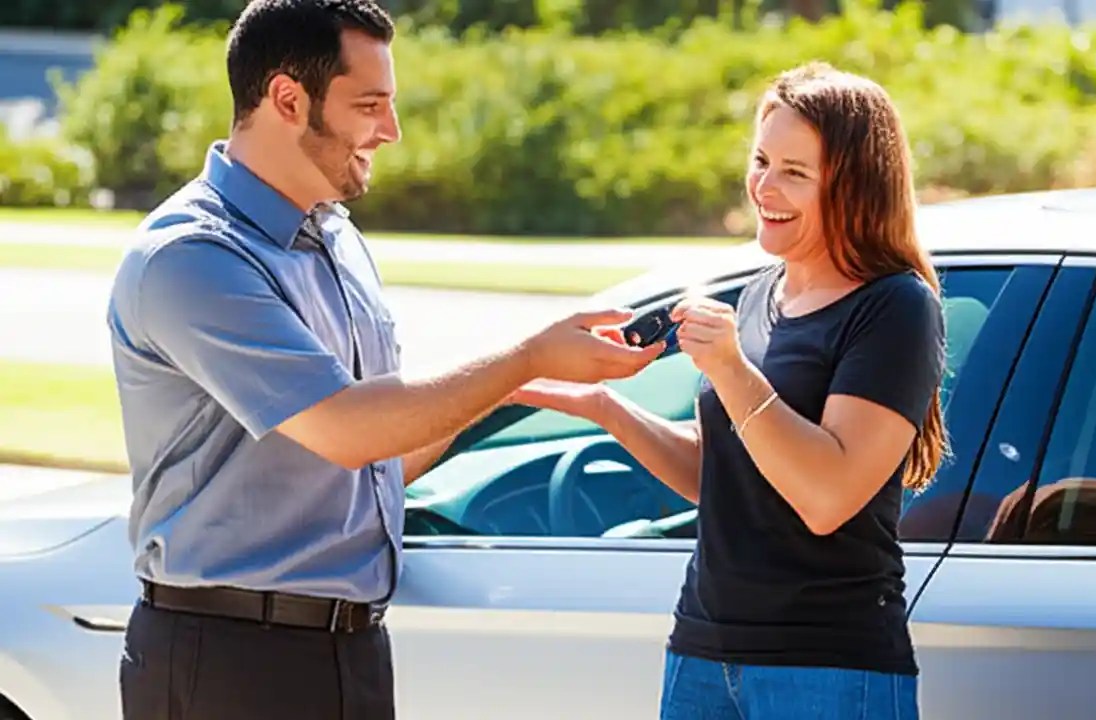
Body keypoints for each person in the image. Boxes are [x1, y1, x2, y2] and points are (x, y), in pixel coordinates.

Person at [106, 1, 662, 718]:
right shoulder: (194, 258)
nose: (391, 131)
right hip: (230, 658)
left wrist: (516, 385)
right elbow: (350, 428)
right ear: (286, 98)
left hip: (351, 654)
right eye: (370, 105)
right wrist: (524, 358)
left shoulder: (339, 242)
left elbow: (377, 465)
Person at [513, 62, 946, 719]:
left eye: (794, 173)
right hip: (704, 650)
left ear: (854, 184)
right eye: (761, 159)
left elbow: (828, 496)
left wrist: (731, 370)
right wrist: (601, 408)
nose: (764, 187)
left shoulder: (895, 309)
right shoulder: (758, 294)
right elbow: (727, 475)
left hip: (826, 666)